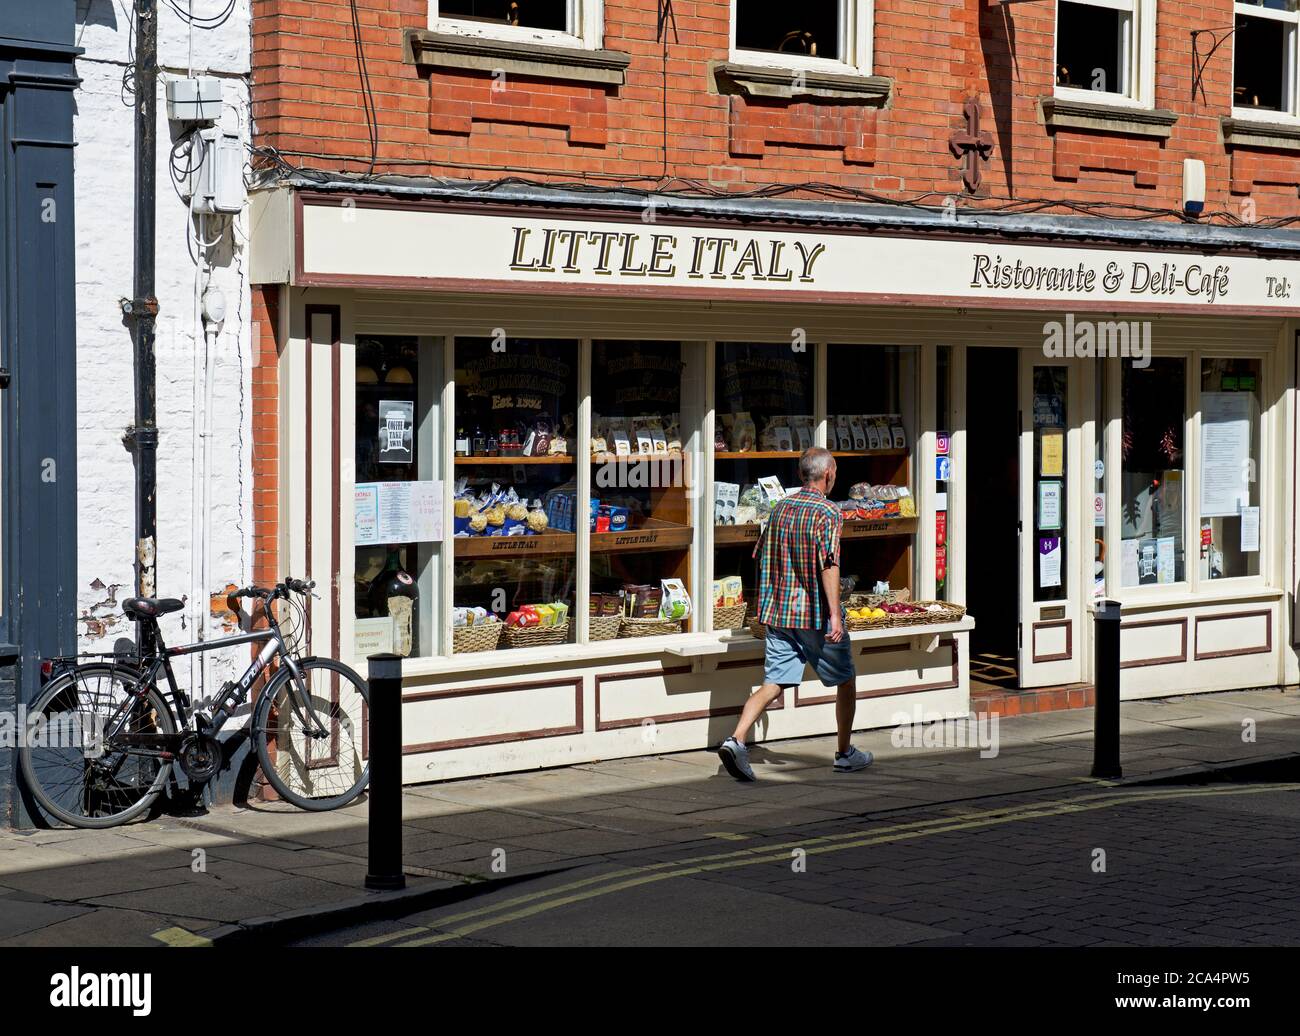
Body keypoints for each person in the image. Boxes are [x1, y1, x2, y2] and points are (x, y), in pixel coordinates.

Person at [718, 446, 873, 781]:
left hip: (778, 614)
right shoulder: (828, 512)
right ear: (828, 474)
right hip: (815, 616)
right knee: (846, 680)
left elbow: (761, 556)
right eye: (835, 472)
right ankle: (845, 753)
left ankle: (736, 739)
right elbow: (829, 565)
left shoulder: (780, 508)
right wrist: (835, 614)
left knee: (774, 682)